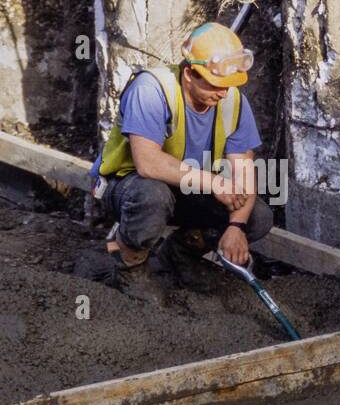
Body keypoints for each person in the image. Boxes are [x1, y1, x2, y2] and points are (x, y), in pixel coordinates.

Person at [90, 22, 272, 288]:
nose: (223, 92)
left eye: (229, 85)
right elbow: (148, 163)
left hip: (187, 188)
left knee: (258, 216)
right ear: (189, 73)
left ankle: (179, 255)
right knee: (153, 196)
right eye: (214, 85)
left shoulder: (232, 102)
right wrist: (215, 183)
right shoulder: (151, 90)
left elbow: (244, 174)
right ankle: (130, 268)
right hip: (127, 188)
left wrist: (237, 228)